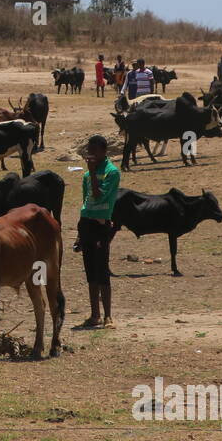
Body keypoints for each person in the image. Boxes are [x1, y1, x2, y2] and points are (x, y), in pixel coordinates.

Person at [79, 134, 120, 328]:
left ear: (104, 151)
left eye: (94, 150)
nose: (90, 154)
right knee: (90, 272)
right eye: (89, 150)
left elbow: (99, 196)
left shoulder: (111, 172)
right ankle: (94, 314)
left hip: (101, 225)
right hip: (86, 223)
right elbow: (85, 201)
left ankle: (108, 316)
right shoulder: (87, 175)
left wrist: (93, 171)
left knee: (102, 270)